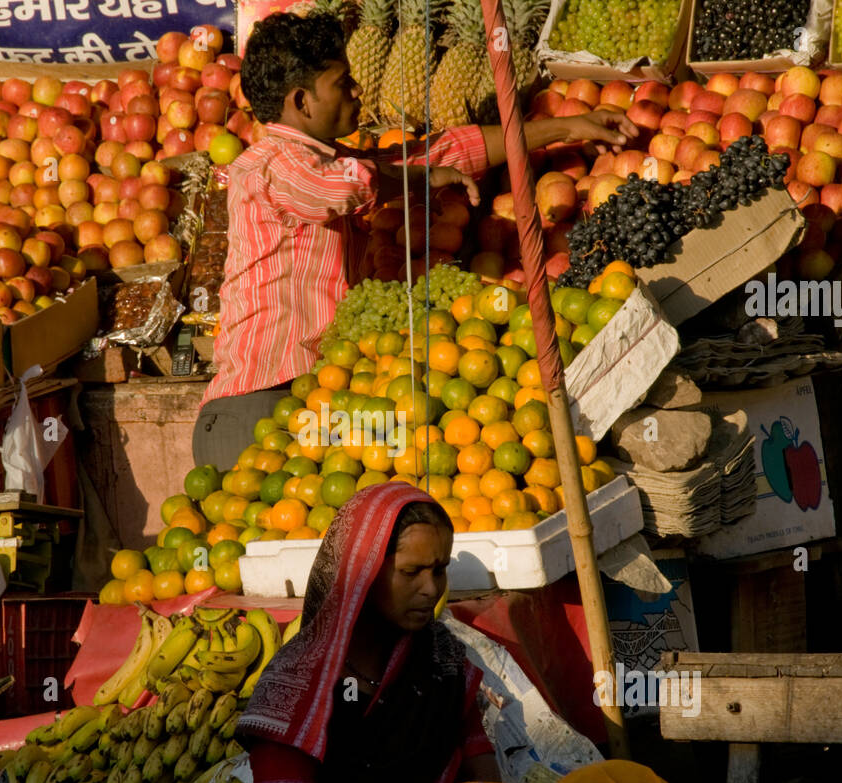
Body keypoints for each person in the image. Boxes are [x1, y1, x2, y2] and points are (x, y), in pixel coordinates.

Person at [192, 12, 639, 470]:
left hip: (311, 402)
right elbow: (350, 186)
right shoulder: (273, 163)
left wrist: (569, 126)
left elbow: (442, 153)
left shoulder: (327, 158)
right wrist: (422, 179)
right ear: (302, 101)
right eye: (343, 82)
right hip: (257, 409)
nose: (356, 92)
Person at [236, 482, 498, 783]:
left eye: (439, 570)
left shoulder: (439, 655)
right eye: (411, 572)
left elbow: (477, 756)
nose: (431, 589)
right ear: (363, 573)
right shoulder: (298, 681)